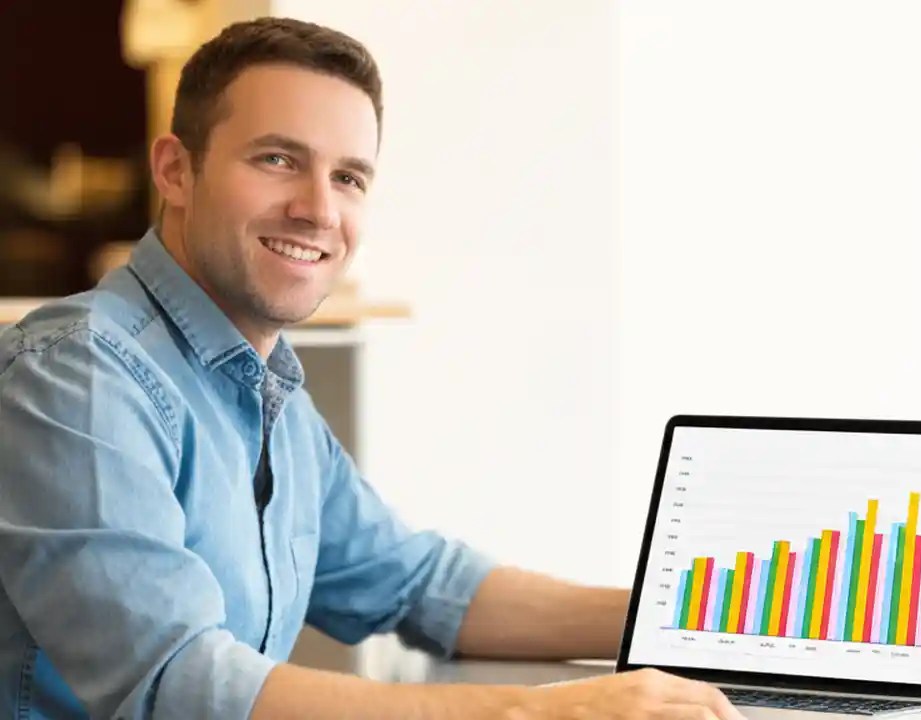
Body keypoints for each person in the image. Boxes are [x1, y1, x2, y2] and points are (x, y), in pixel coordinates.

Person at [0, 17, 745, 720]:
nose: (319, 210)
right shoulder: (79, 374)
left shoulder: (268, 396)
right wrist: (546, 708)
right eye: (278, 159)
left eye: (350, 177)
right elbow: (179, 685)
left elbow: (421, 585)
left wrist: (699, 621)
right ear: (175, 170)